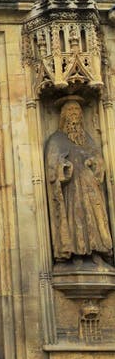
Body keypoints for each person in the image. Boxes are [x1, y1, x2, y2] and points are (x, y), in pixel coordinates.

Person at [45, 99, 113, 262]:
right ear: (64, 116)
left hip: (91, 189)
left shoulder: (87, 139)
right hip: (72, 190)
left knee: (95, 219)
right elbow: (52, 164)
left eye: (77, 111)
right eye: (70, 111)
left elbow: (98, 159)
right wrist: (64, 166)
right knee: (75, 219)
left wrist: (94, 162)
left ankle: (96, 252)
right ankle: (76, 255)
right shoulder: (56, 139)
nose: (74, 114)